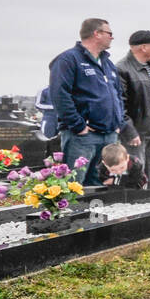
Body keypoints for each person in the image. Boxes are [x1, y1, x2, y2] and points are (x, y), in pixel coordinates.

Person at [49, 18, 126, 186]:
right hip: (83, 137)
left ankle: (99, 214)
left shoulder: (108, 64)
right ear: (96, 34)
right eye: (109, 33)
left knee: (102, 185)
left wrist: (118, 123)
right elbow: (59, 95)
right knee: (75, 185)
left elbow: (118, 95)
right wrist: (78, 126)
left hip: (109, 135)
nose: (112, 37)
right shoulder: (68, 60)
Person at [116, 30, 150, 191]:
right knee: (136, 173)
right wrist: (130, 131)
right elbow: (120, 104)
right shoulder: (122, 69)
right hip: (136, 134)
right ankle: (137, 206)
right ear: (143, 47)